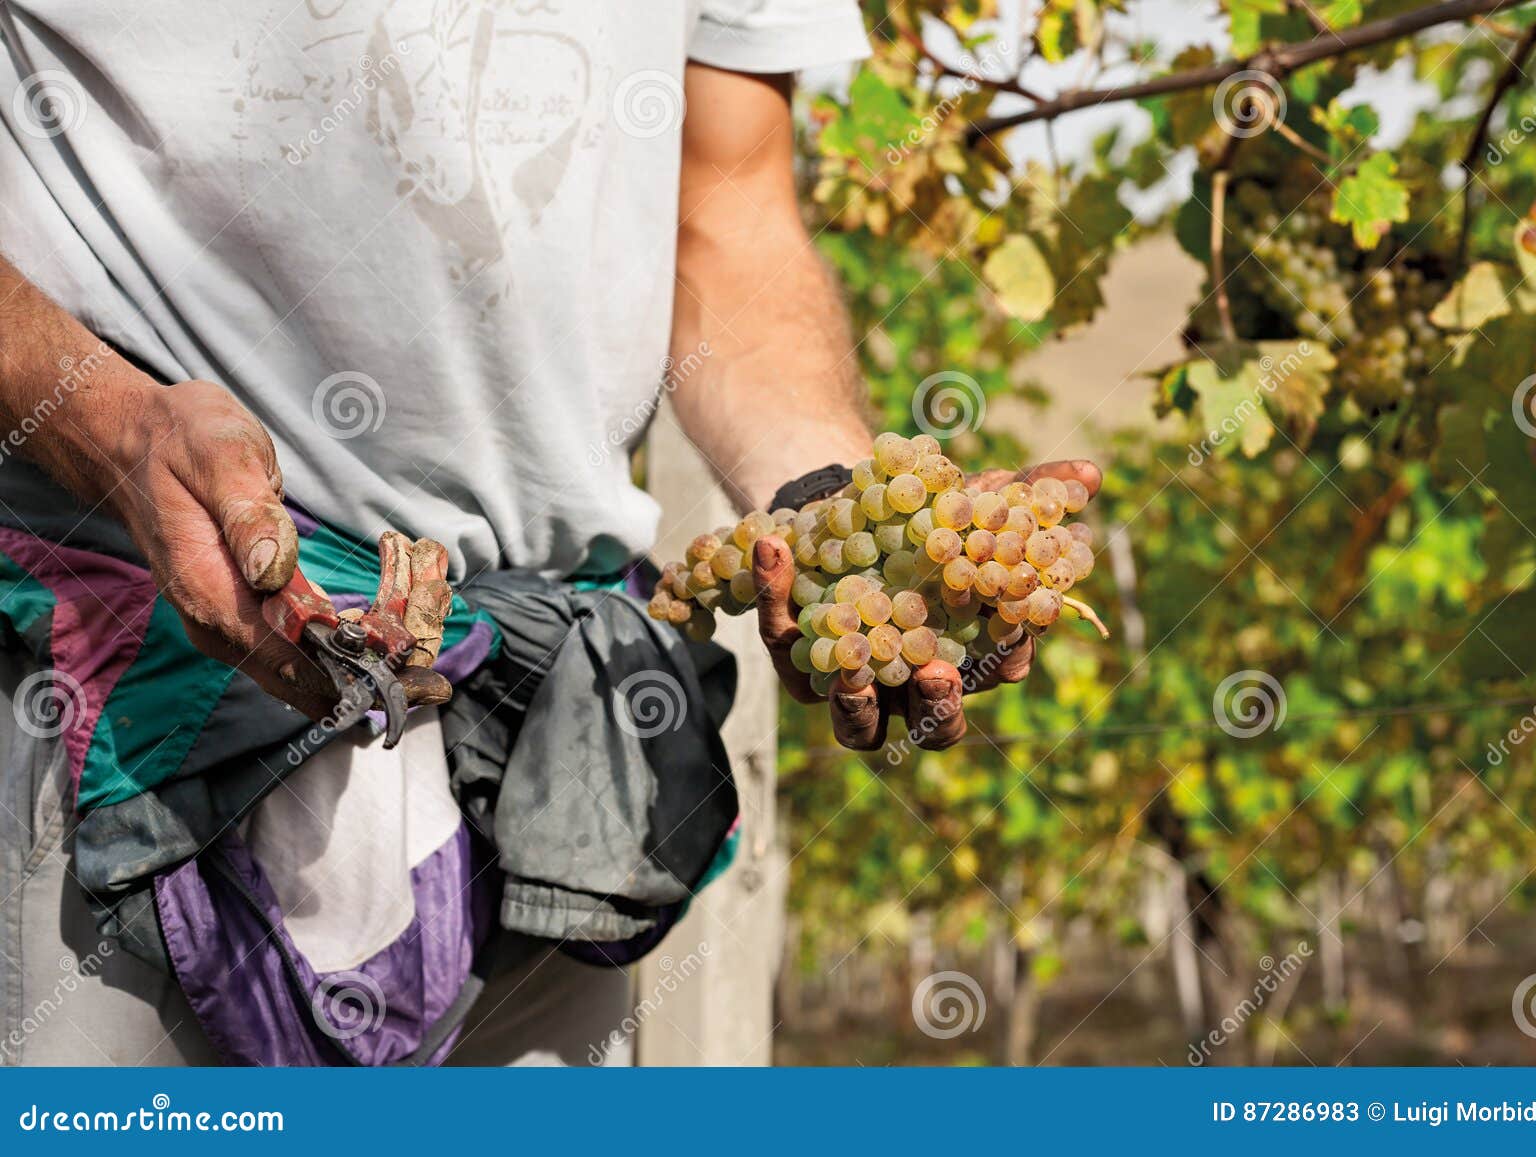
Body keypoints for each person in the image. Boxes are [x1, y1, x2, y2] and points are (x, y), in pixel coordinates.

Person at [0, 0, 1098, 1066]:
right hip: (139, 698)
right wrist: (105, 426)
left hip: (542, 734)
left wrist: (831, 502)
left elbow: (728, 217)